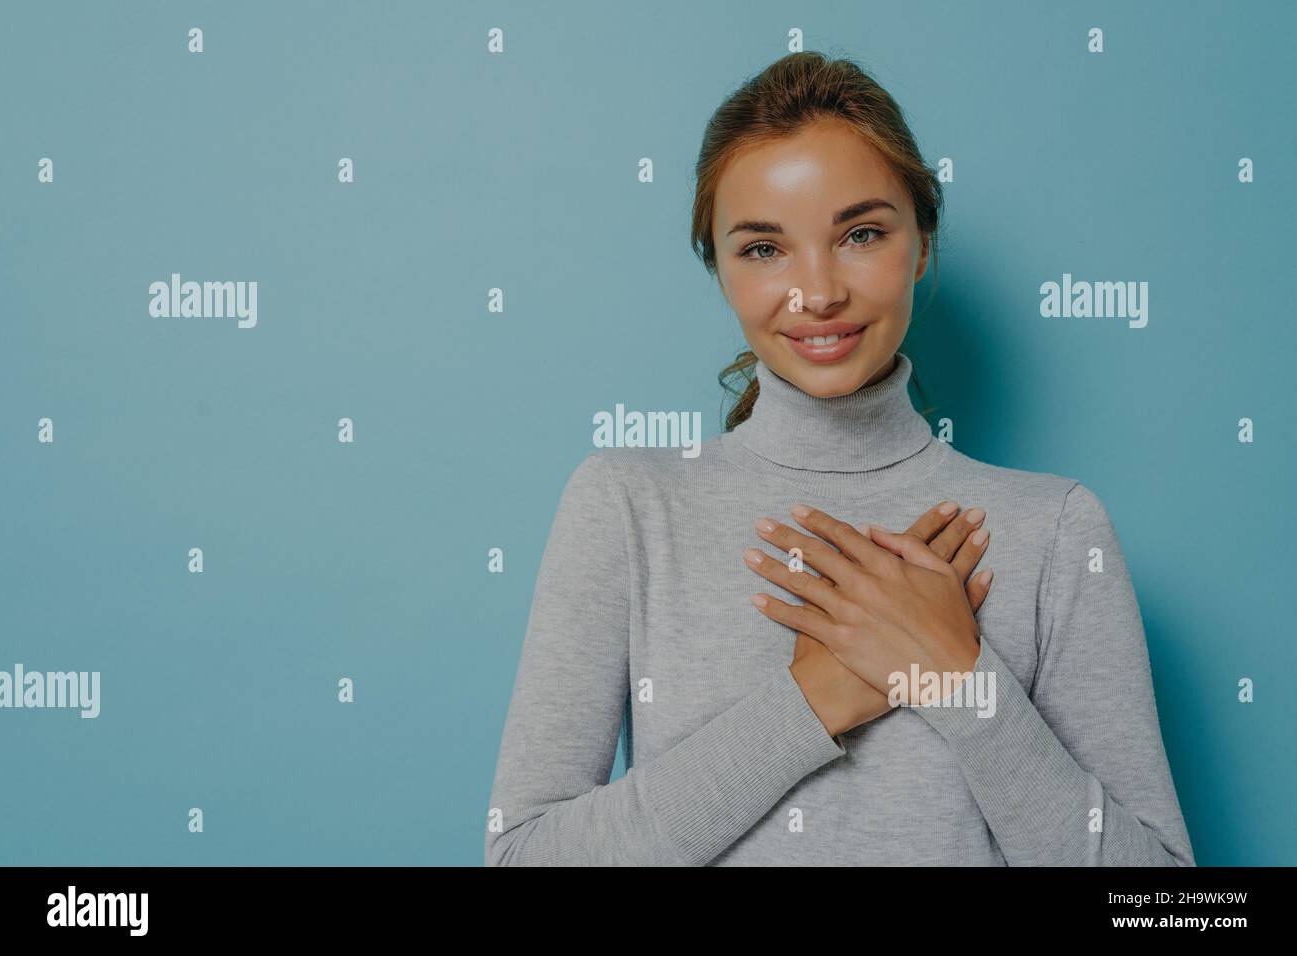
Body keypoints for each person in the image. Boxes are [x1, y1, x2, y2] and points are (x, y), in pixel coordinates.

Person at [485, 51, 1194, 866]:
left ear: (922, 245)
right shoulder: (627, 507)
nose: (816, 293)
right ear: (718, 270)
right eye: (763, 249)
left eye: (861, 234)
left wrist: (957, 679)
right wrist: (814, 699)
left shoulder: (1058, 528)